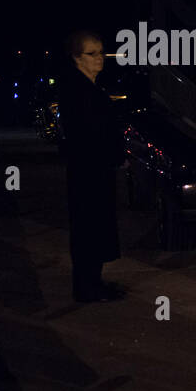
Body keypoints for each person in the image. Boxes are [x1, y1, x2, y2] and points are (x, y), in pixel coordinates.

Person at [59, 30, 126, 303]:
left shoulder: (90, 87)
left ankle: (93, 282)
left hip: (95, 169)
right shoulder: (78, 91)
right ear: (77, 58)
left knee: (95, 226)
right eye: (91, 54)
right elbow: (87, 133)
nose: (99, 58)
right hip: (88, 171)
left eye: (101, 52)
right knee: (88, 227)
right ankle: (86, 287)